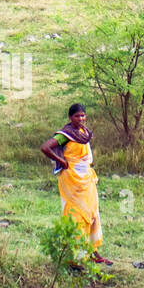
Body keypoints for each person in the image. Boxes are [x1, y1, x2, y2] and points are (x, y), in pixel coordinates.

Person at [40, 103, 111, 265]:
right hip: (72, 180)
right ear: (70, 117)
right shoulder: (65, 135)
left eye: (83, 115)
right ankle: (77, 258)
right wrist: (62, 161)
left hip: (86, 178)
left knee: (92, 213)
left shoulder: (83, 133)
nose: (81, 119)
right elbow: (45, 147)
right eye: (77, 116)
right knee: (76, 215)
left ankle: (93, 252)